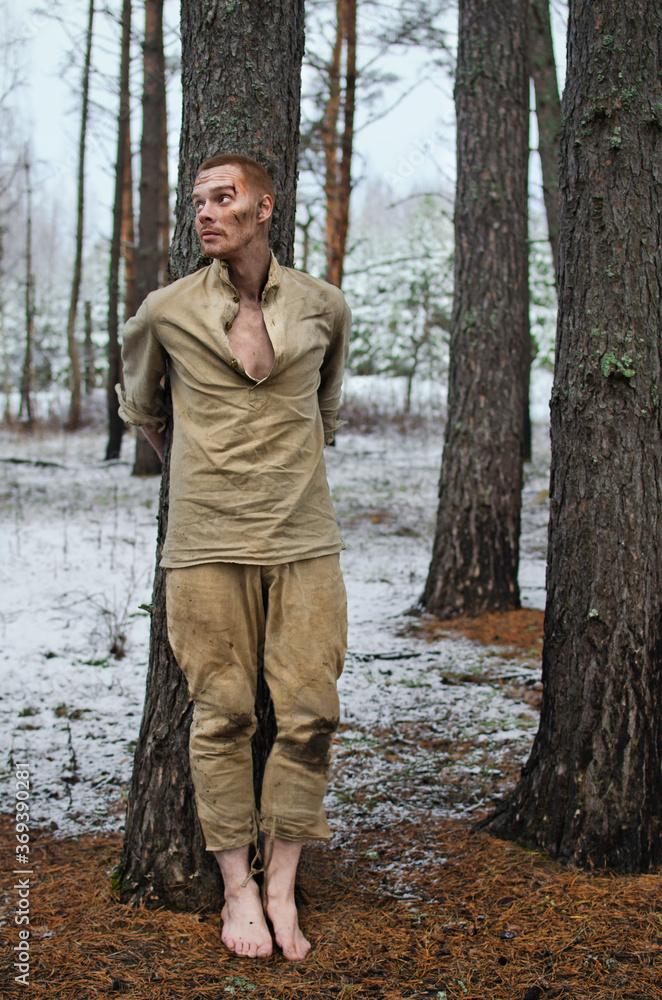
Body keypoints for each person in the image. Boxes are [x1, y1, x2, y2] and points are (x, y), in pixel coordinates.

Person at [117, 153, 350, 962]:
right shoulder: (166, 310)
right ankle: (238, 892)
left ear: (263, 207)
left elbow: (324, 411)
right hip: (207, 547)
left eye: (224, 198)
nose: (205, 213)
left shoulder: (323, 306)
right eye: (198, 201)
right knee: (222, 716)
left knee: (312, 711)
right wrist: (204, 473)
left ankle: (283, 884)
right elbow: (145, 409)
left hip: (304, 542)